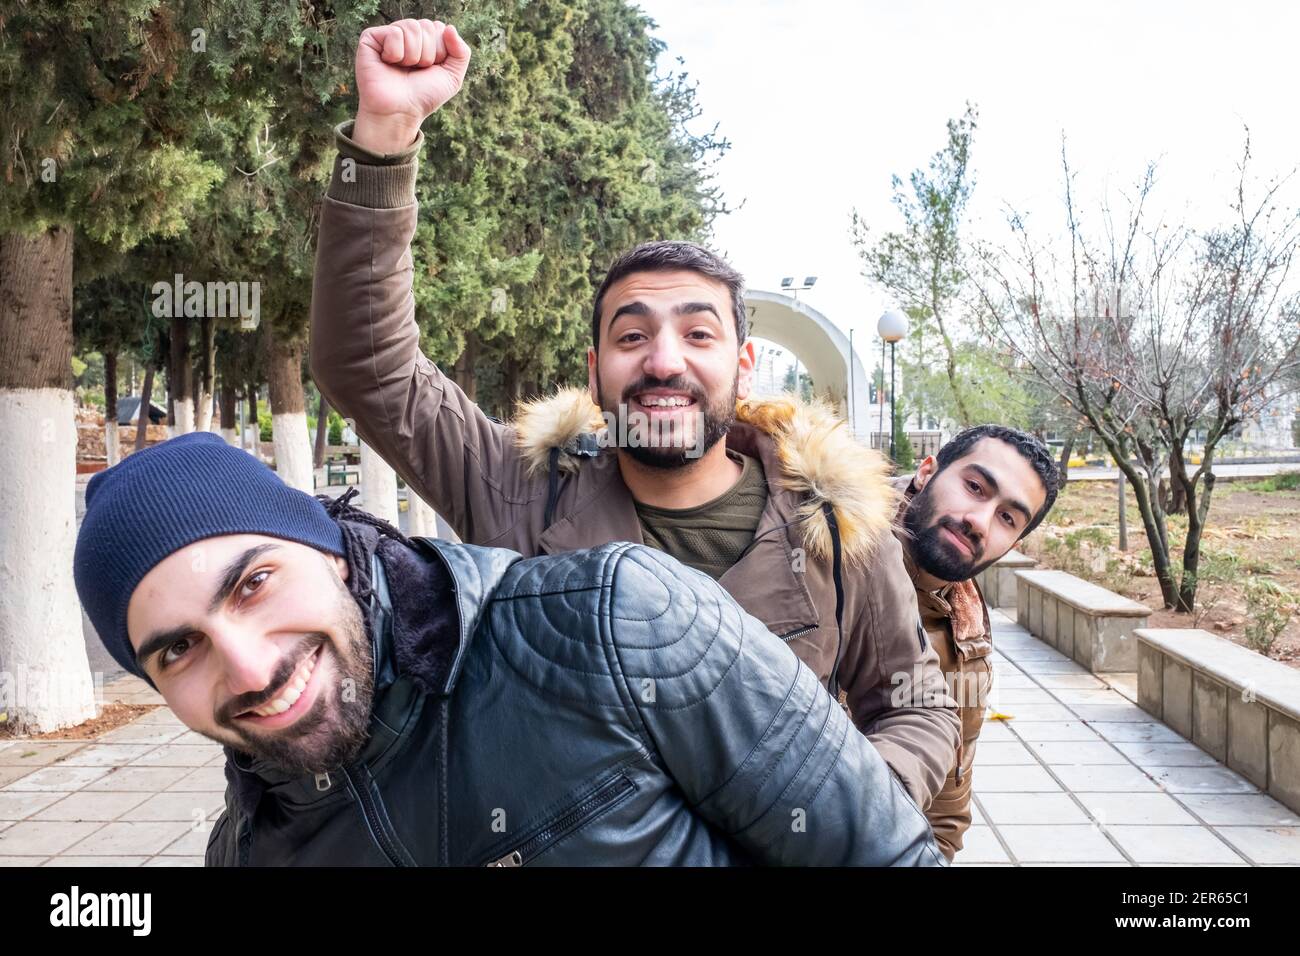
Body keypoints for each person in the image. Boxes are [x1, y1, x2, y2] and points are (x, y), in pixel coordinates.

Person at [308, 18, 959, 811]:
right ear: (596, 371)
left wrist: (833, 826)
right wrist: (385, 136)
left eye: (697, 333)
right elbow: (365, 362)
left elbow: (916, 707)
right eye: (632, 335)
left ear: (742, 365)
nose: (663, 361)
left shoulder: (837, 527)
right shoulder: (517, 489)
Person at [72, 432, 945, 866]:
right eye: (177, 650)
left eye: (253, 582)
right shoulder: (248, 852)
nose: (251, 669)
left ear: (331, 549)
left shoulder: (615, 620)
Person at [893, 425, 1061, 859]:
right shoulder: (824, 557)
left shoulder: (968, 636)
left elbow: (946, 807)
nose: (978, 522)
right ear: (926, 472)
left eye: (1008, 518)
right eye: (974, 487)